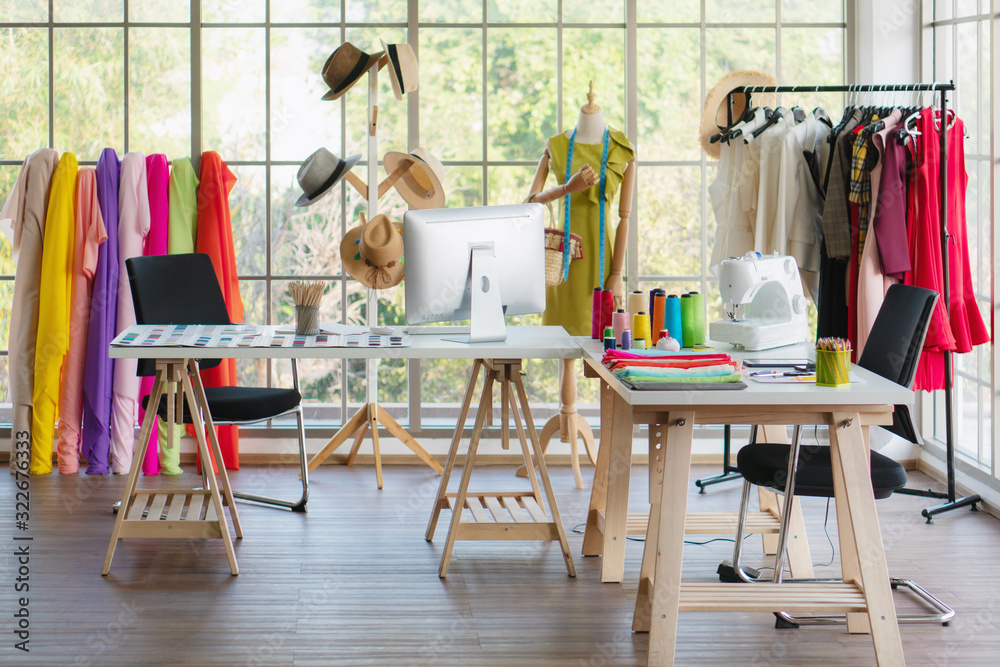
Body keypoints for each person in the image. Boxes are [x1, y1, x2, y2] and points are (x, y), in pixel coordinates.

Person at [523, 84, 636, 485]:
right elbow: (530, 203)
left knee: (600, 346)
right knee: (563, 341)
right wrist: (567, 188)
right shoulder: (555, 146)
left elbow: (624, 218)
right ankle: (566, 419)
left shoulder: (621, 149)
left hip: (601, 262)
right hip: (562, 260)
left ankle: (603, 449)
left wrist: (617, 274)